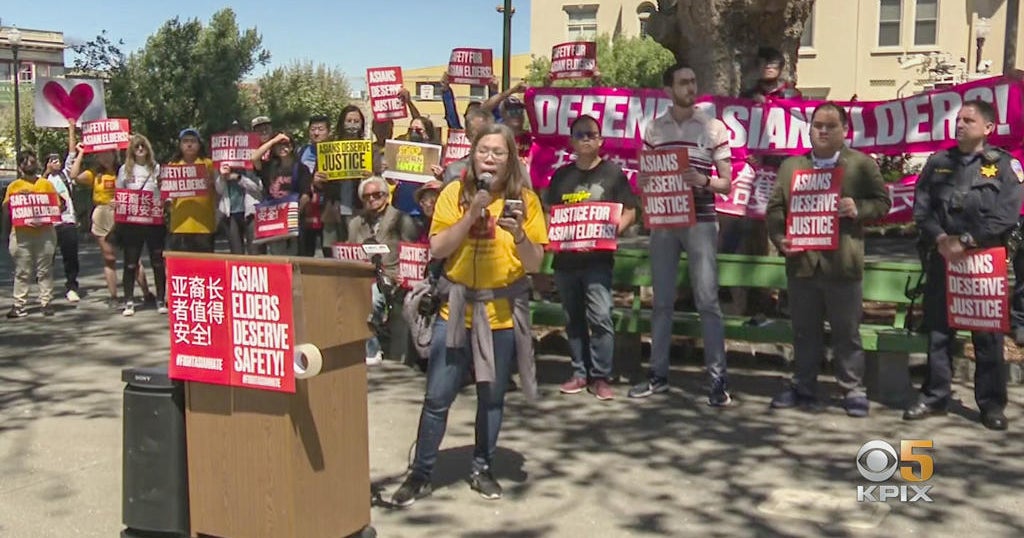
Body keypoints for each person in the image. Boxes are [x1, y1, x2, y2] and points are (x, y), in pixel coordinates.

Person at [391, 124, 547, 507]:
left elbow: (535, 264)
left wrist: (520, 235)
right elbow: (439, 248)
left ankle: (482, 467)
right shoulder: (452, 195)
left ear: (510, 160)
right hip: (455, 311)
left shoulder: (525, 201)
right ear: (472, 156)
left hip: (501, 315)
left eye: (498, 152)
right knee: (437, 397)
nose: (490, 158)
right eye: (483, 151)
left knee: (491, 399)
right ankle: (421, 473)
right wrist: (472, 212)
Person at [764, 102, 891, 417]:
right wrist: (780, 239)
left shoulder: (861, 165)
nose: (822, 130)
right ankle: (803, 386)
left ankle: (852, 390)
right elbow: (775, 208)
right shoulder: (791, 167)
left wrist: (857, 208)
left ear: (844, 130)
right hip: (802, 264)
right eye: (816, 125)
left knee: (847, 332)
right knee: (804, 331)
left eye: (830, 126)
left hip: (843, 265)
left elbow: (883, 203)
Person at [905, 99, 1024, 431]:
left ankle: (990, 404)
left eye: (968, 120)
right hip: (944, 259)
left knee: (987, 337)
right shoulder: (938, 162)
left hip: (983, 262)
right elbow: (922, 207)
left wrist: (967, 241)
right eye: (958, 120)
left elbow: (1007, 214)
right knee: (939, 331)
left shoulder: (1004, 166)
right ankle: (934, 396)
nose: (960, 125)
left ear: (988, 128)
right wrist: (941, 239)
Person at [628, 62, 734, 406]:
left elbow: (727, 184)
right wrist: (642, 182)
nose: (691, 87)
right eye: (683, 82)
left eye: (693, 81)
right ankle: (657, 376)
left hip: (701, 222)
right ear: (667, 91)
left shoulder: (714, 128)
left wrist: (704, 181)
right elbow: (644, 175)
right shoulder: (653, 130)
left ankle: (718, 381)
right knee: (661, 302)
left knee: (707, 301)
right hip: (663, 223)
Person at [546, 115, 637, 400]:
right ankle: (579, 372)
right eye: (580, 134)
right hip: (566, 261)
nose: (586, 138)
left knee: (600, 317)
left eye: (591, 134)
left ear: (601, 140)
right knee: (573, 318)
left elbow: (631, 212)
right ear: (571, 141)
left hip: (598, 261)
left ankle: (600, 376)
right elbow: (550, 213)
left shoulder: (613, 174)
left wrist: (609, 234)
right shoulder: (561, 176)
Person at [70, 135, 152, 308]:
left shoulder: (126, 169)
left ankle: (146, 292)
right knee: (109, 258)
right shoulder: (94, 173)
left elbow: (145, 168)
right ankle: (114, 296)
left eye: (109, 153)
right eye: (101, 154)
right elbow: (74, 176)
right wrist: (81, 153)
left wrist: (131, 142)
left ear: (115, 154)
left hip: (125, 213)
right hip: (102, 214)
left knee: (133, 258)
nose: (105, 157)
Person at [348, 176, 419, 365]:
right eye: (367, 196)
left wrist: (405, 274)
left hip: (393, 275)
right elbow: (348, 250)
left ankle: (374, 351)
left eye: (377, 195)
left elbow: (412, 249)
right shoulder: (355, 223)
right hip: (364, 276)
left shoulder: (401, 219)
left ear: (386, 196)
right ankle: (370, 348)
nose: (372, 199)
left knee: (370, 297)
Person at [116, 134, 167, 317]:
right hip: (132, 222)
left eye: (142, 146)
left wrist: (163, 201)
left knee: (157, 261)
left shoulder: (157, 169)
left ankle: (161, 299)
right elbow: (119, 192)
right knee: (130, 263)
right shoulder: (124, 170)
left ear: (148, 148)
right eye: (136, 147)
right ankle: (128, 300)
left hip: (153, 221)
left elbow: (164, 191)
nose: (139, 149)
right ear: (131, 150)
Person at [4, 151, 59, 317]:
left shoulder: (46, 184)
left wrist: (37, 200)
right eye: (25, 162)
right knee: (22, 271)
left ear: (36, 164)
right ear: (20, 167)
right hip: (21, 234)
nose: (29, 164)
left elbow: (57, 206)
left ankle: (46, 302)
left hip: (45, 233)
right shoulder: (14, 187)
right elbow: (7, 210)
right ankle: (19, 305)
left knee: (45, 270)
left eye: (32, 161)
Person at [44, 122, 80, 303]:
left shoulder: (65, 174)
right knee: (47, 258)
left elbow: (72, 153)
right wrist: (46, 172)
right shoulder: (43, 180)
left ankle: (72, 286)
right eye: (52, 160)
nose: (56, 162)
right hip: (49, 223)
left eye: (57, 159)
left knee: (70, 256)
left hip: (67, 220)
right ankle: (46, 289)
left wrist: (71, 128)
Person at [167, 128, 216, 253]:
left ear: (199, 144)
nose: (189, 144)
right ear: (180, 145)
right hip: (179, 225)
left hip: (204, 226)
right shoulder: (172, 166)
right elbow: (167, 196)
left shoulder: (209, 164)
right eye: (185, 141)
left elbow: (219, 189)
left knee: (205, 267)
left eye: (193, 141)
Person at [252, 132, 299, 255]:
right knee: (277, 255)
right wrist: (273, 140)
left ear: (292, 147)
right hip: (275, 218)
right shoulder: (269, 167)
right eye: (279, 145)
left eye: (286, 145)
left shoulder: (299, 167)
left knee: (294, 256)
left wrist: (297, 213)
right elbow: (254, 158)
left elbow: (305, 193)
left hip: (293, 217)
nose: (283, 148)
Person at [293, 115, 332, 257]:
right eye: (313, 129)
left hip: (327, 210)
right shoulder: (300, 151)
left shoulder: (335, 151)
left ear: (328, 132)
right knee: (304, 254)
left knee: (330, 254)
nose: (316, 133)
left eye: (321, 129)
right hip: (306, 210)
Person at [215, 162, 262, 255]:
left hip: (251, 213)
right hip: (230, 213)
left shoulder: (249, 165)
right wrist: (222, 177)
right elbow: (219, 190)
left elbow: (257, 187)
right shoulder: (221, 165)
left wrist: (239, 178)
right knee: (236, 252)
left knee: (254, 251)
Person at [442, 108, 494, 184]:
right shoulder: (454, 171)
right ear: (467, 134)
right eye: (476, 135)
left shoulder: (506, 169)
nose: (481, 141)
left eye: (485, 134)